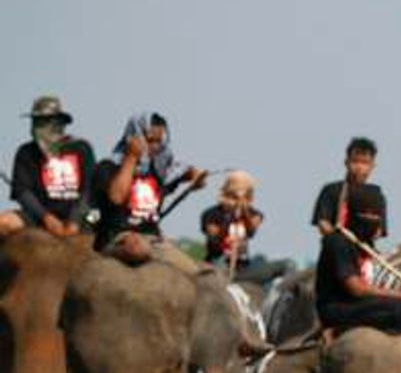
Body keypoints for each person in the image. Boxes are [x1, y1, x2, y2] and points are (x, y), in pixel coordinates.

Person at [311, 138, 401, 333]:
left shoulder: (375, 196)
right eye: (355, 162)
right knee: (399, 309)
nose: (359, 168)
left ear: (373, 166)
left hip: (364, 259)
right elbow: (322, 222)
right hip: (339, 302)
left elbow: (378, 232)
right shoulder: (337, 233)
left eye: (365, 163)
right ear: (347, 162)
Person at [91, 112, 207, 256]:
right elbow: (117, 198)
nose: (155, 147)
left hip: (151, 237)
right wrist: (131, 157)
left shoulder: (159, 171)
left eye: (159, 142)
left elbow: (183, 172)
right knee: (136, 248)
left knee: (186, 264)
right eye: (150, 141)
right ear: (134, 137)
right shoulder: (107, 167)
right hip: (118, 236)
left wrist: (196, 176)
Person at [5, 94, 95, 239]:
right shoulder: (25, 152)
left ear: (60, 123)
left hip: (80, 216)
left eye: (46, 121)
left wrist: (74, 221)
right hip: (38, 217)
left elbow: (89, 190)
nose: (39, 127)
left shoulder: (81, 148)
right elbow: (22, 192)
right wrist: (46, 218)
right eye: (36, 122)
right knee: (4, 222)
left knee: (106, 224)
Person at [200, 170, 265, 273]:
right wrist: (229, 214)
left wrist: (244, 212)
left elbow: (251, 231)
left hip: (242, 263)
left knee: (264, 261)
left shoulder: (254, 214)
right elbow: (214, 237)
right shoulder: (210, 214)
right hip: (217, 260)